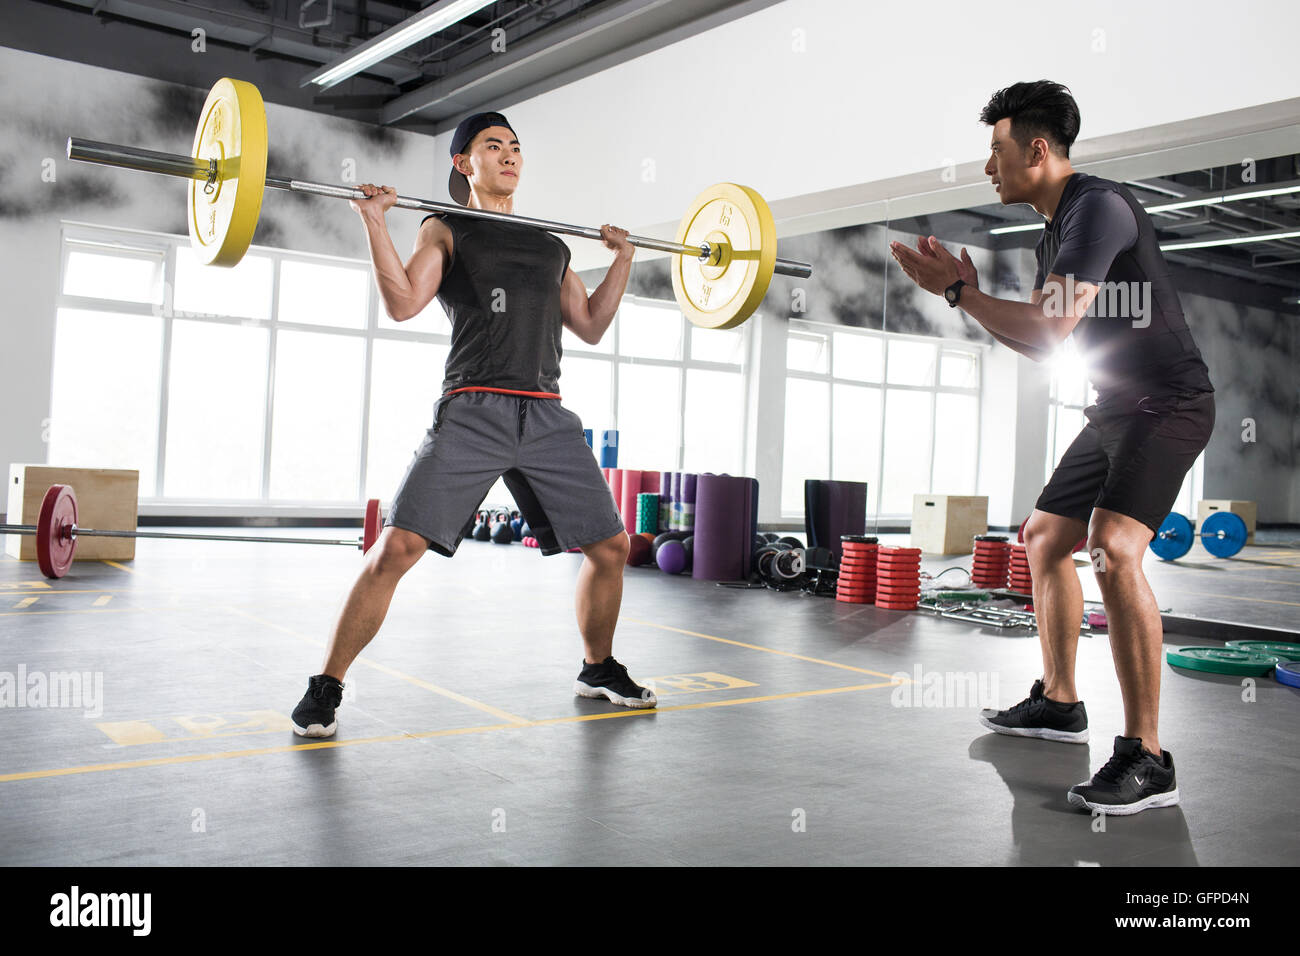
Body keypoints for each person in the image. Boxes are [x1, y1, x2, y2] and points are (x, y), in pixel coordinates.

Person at [889, 80, 1215, 815]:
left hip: (1171, 404)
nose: (987, 167)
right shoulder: (1057, 229)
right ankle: (1062, 702)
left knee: (1113, 547)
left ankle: (1149, 756)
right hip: (1116, 408)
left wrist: (960, 295)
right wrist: (966, 295)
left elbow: (1045, 330)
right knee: (1043, 538)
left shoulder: (1098, 208)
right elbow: (1045, 342)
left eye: (995, 151)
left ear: (1037, 149)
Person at [291, 110, 657, 738]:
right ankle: (326, 686)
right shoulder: (447, 227)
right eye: (494, 146)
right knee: (397, 548)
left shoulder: (550, 245)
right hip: (474, 408)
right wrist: (374, 221)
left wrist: (623, 259)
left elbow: (591, 325)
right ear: (464, 163)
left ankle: (598, 668)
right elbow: (404, 301)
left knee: (610, 546)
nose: (510, 155)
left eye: (516, 146)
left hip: (545, 412)